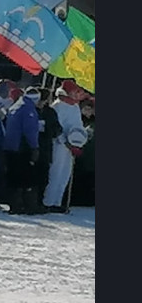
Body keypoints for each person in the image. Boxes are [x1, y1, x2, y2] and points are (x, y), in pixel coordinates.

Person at [42, 80, 87, 213]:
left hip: (71, 146)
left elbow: (78, 126)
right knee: (55, 172)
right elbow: (56, 127)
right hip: (59, 145)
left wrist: (79, 141)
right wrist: (66, 142)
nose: (76, 94)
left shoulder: (75, 107)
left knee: (65, 173)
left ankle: (58, 201)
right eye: (74, 92)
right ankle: (48, 201)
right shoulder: (58, 106)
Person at [3, 87, 42, 215]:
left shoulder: (16, 106)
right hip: (21, 147)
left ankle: (14, 204)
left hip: (10, 146)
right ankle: (26, 205)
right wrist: (34, 147)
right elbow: (30, 130)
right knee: (26, 176)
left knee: (13, 176)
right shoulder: (28, 109)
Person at [35, 87, 62, 205]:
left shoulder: (50, 112)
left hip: (45, 148)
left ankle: (40, 201)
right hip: (31, 147)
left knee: (43, 177)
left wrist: (48, 130)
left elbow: (58, 129)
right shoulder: (30, 110)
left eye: (43, 100)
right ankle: (28, 201)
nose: (41, 102)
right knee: (30, 176)